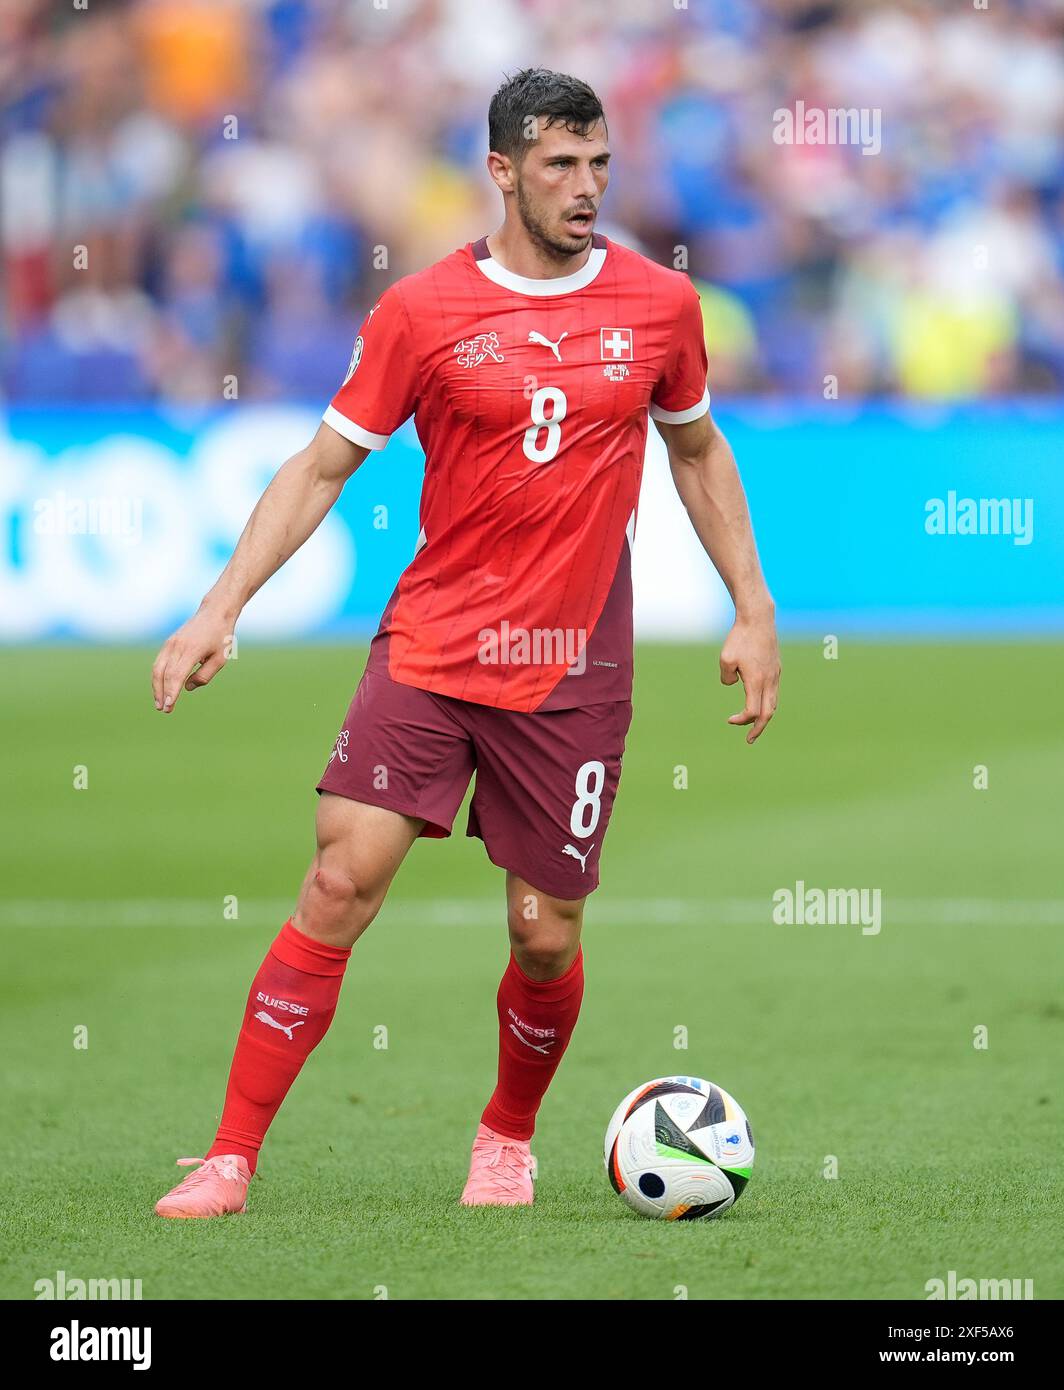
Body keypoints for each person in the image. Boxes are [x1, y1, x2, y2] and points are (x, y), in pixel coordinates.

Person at [150, 68, 780, 1218]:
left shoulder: (657, 307)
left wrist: (751, 607)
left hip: (575, 666)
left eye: (598, 166)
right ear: (500, 171)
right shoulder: (421, 312)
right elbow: (322, 464)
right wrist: (219, 605)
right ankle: (230, 1157)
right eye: (557, 167)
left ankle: (506, 1134)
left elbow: (693, 450)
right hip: (433, 645)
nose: (584, 188)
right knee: (341, 874)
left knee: (542, 936)